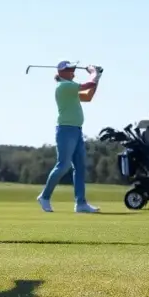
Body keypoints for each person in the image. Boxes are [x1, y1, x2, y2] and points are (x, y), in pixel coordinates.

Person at [37, 61, 103, 213]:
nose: (73, 71)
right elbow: (88, 85)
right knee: (63, 165)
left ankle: (81, 204)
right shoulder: (64, 86)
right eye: (70, 69)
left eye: (73, 68)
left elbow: (88, 96)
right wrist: (93, 72)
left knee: (79, 167)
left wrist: (97, 77)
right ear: (61, 73)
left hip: (77, 130)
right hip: (66, 130)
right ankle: (44, 196)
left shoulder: (70, 88)